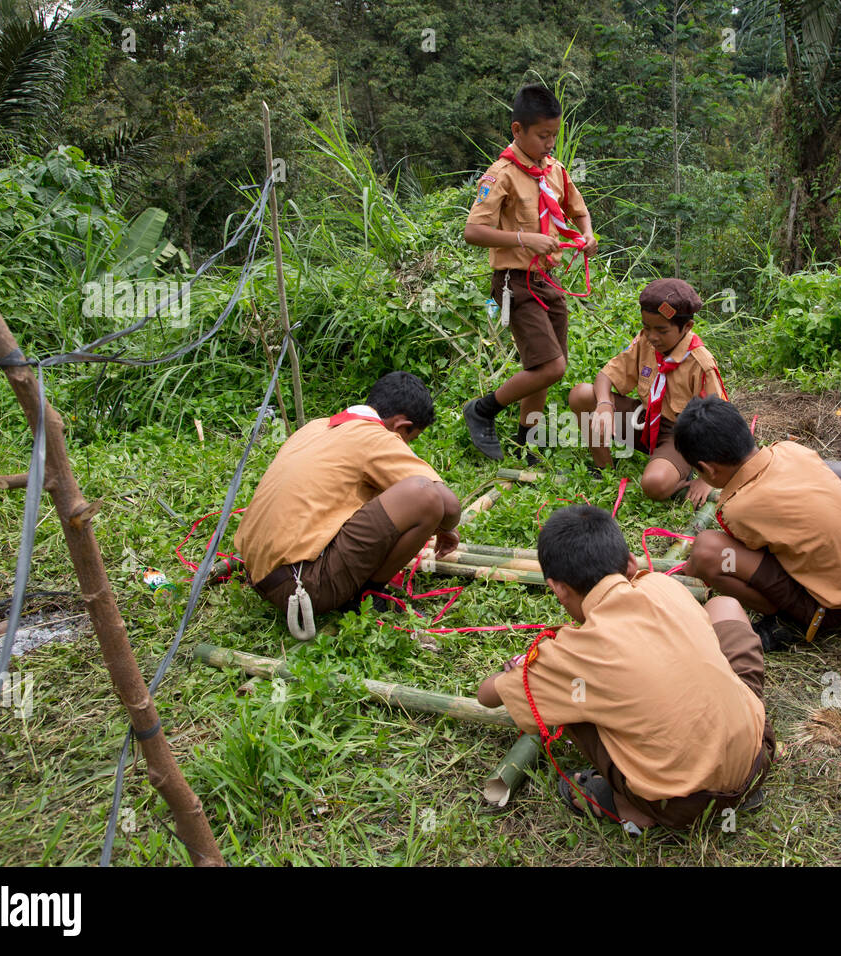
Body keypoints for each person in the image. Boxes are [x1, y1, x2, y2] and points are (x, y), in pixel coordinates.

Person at [477, 505, 774, 832]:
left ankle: (630, 805)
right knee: (724, 606)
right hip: (759, 755)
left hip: (687, 803)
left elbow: (488, 696)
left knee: (570, 702)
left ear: (558, 587)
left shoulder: (568, 656)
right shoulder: (664, 586)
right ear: (631, 563)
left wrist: (516, 671)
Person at [234, 371, 461, 632]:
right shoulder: (375, 437)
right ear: (400, 426)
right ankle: (367, 597)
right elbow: (449, 505)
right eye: (410, 440)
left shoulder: (317, 426)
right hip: (303, 589)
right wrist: (446, 528)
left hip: (261, 575)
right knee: (425, 496)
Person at [673, 396, 841, 650]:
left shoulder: (739, 507)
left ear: (709, 469)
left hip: (828, 610)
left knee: (709, 551)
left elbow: (742, 556)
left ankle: (789, 621)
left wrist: (691, 571)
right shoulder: (790, 450)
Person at [463, 83, 597, 464]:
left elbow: (579, 211)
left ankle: (527, 443)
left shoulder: (554, 171)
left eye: (555, 135)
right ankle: (483, 410)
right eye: (542, 135)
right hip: (514, 283)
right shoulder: (500, 175)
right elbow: (473, 231)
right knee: (549, 366)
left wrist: (586, 236)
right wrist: (524, 239)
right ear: (517, 130)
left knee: (545, 368)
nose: (550, 143)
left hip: (547, 281)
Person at [567, 277, 724, 503]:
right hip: (645, 420)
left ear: (687, 327)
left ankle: (678, 467)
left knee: (654, 484)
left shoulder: (701, 364)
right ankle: (604, 470)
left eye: (661, 330)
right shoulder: (645, 342)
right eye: (647, 327)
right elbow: (606, 375)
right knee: (582, 395)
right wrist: (603, 404)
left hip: (681, 437)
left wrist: (708, 478)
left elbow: (718, 423)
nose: (652, 336)